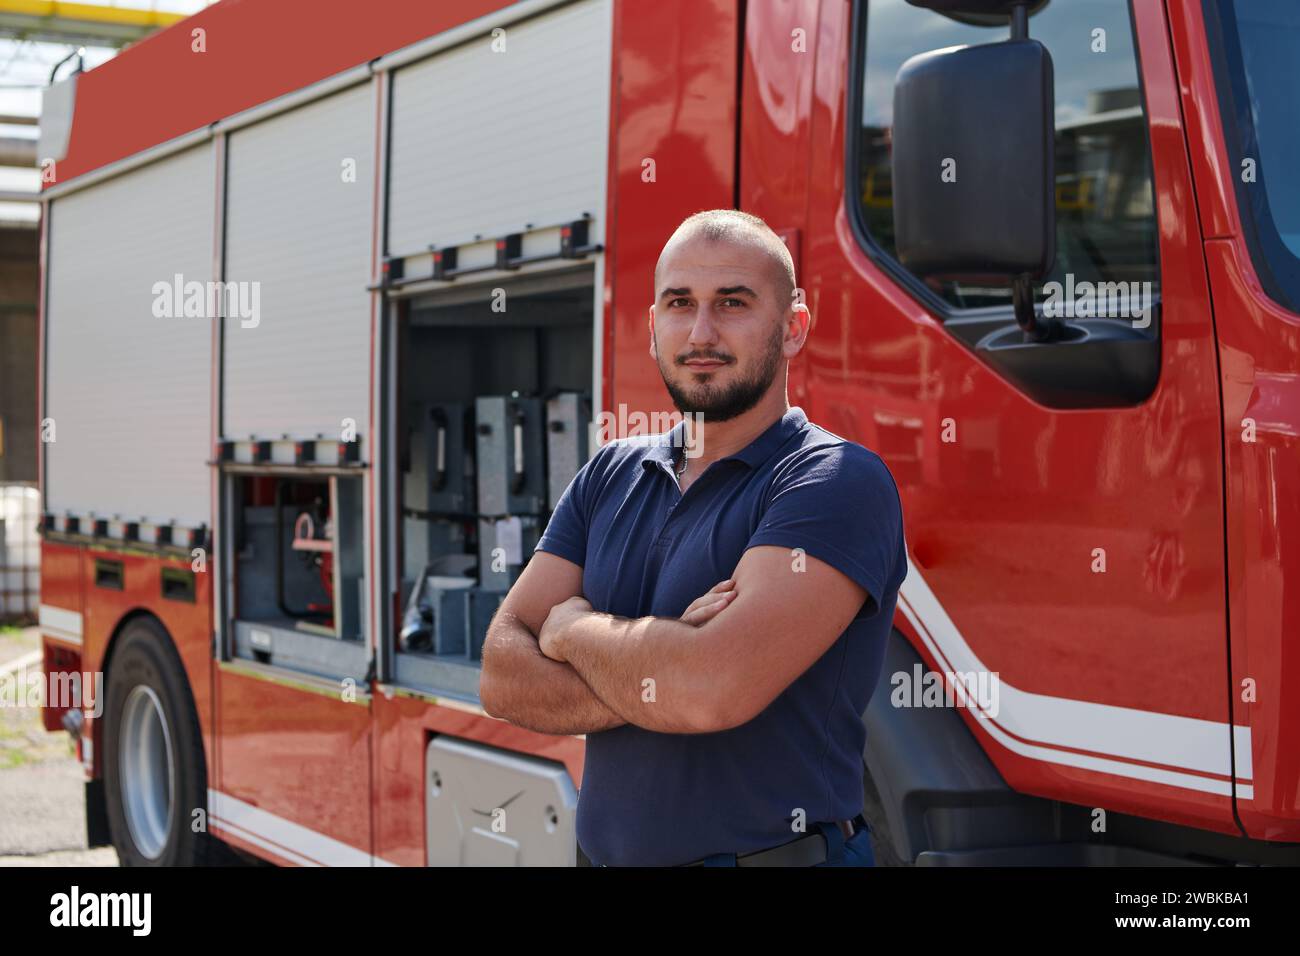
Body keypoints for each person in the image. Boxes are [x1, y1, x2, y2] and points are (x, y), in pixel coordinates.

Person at [479, 208, 907, 867]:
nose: (701, 332)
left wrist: (570, 631)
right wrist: (667, 664)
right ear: (654, 329)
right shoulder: (608, 472)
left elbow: (711, 691)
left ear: (793, 327)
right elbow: (503, 674)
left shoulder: (835, 481)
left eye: (733, 303)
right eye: (680, 304)